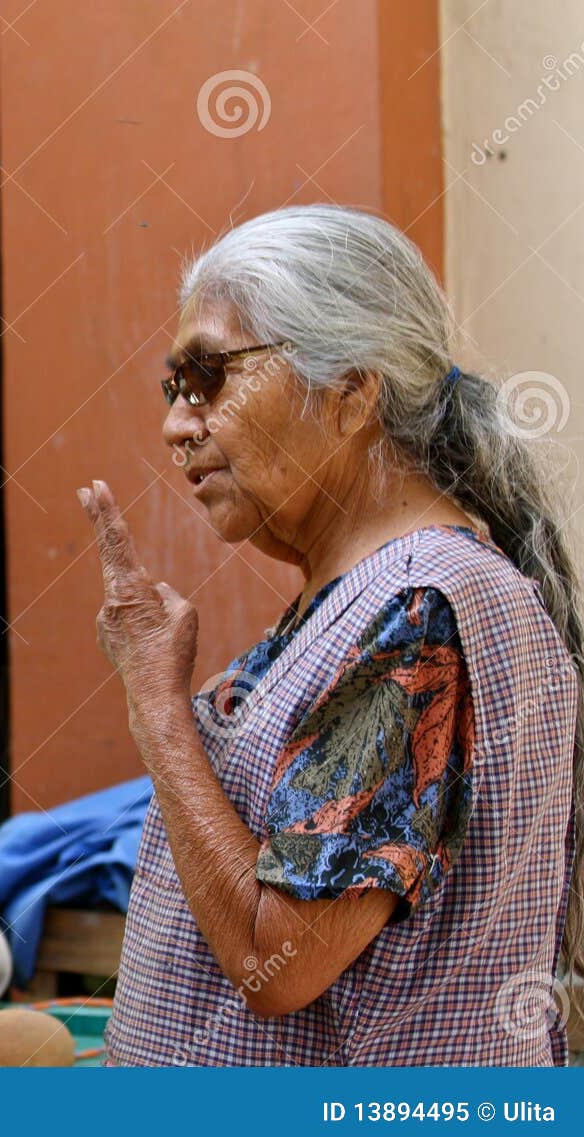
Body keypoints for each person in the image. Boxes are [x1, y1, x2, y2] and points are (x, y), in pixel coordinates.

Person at [84, 205, 581, 1066]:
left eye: (210, 376)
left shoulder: (419, 606)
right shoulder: (375, 594)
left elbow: (276, 961)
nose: (177, 425)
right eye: (176, 388)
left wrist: (158, 706)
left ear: (352, 390)